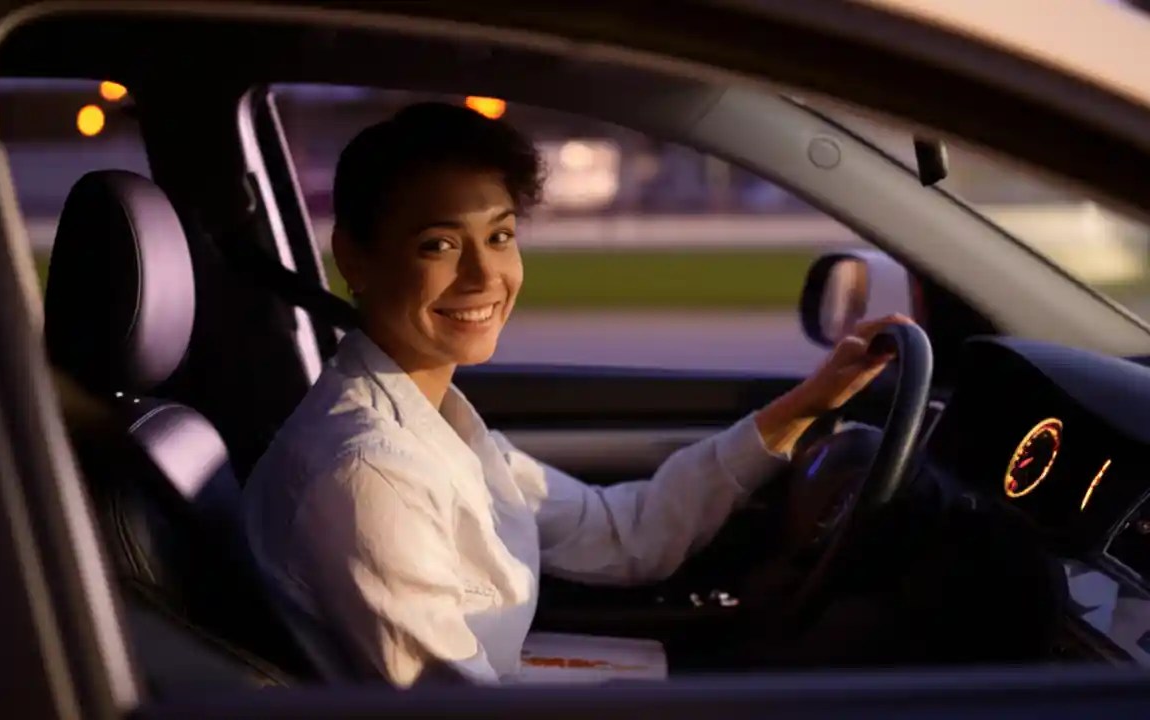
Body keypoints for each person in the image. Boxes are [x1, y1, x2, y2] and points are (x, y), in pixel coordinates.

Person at [243, 102, 907, 686]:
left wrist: (816, 399)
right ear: (355, 260)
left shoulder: (429, 421)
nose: (484, 276)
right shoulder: (369, 473)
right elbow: (454, 710)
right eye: (439, 244)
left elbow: (621, 533)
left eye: (500, 236)